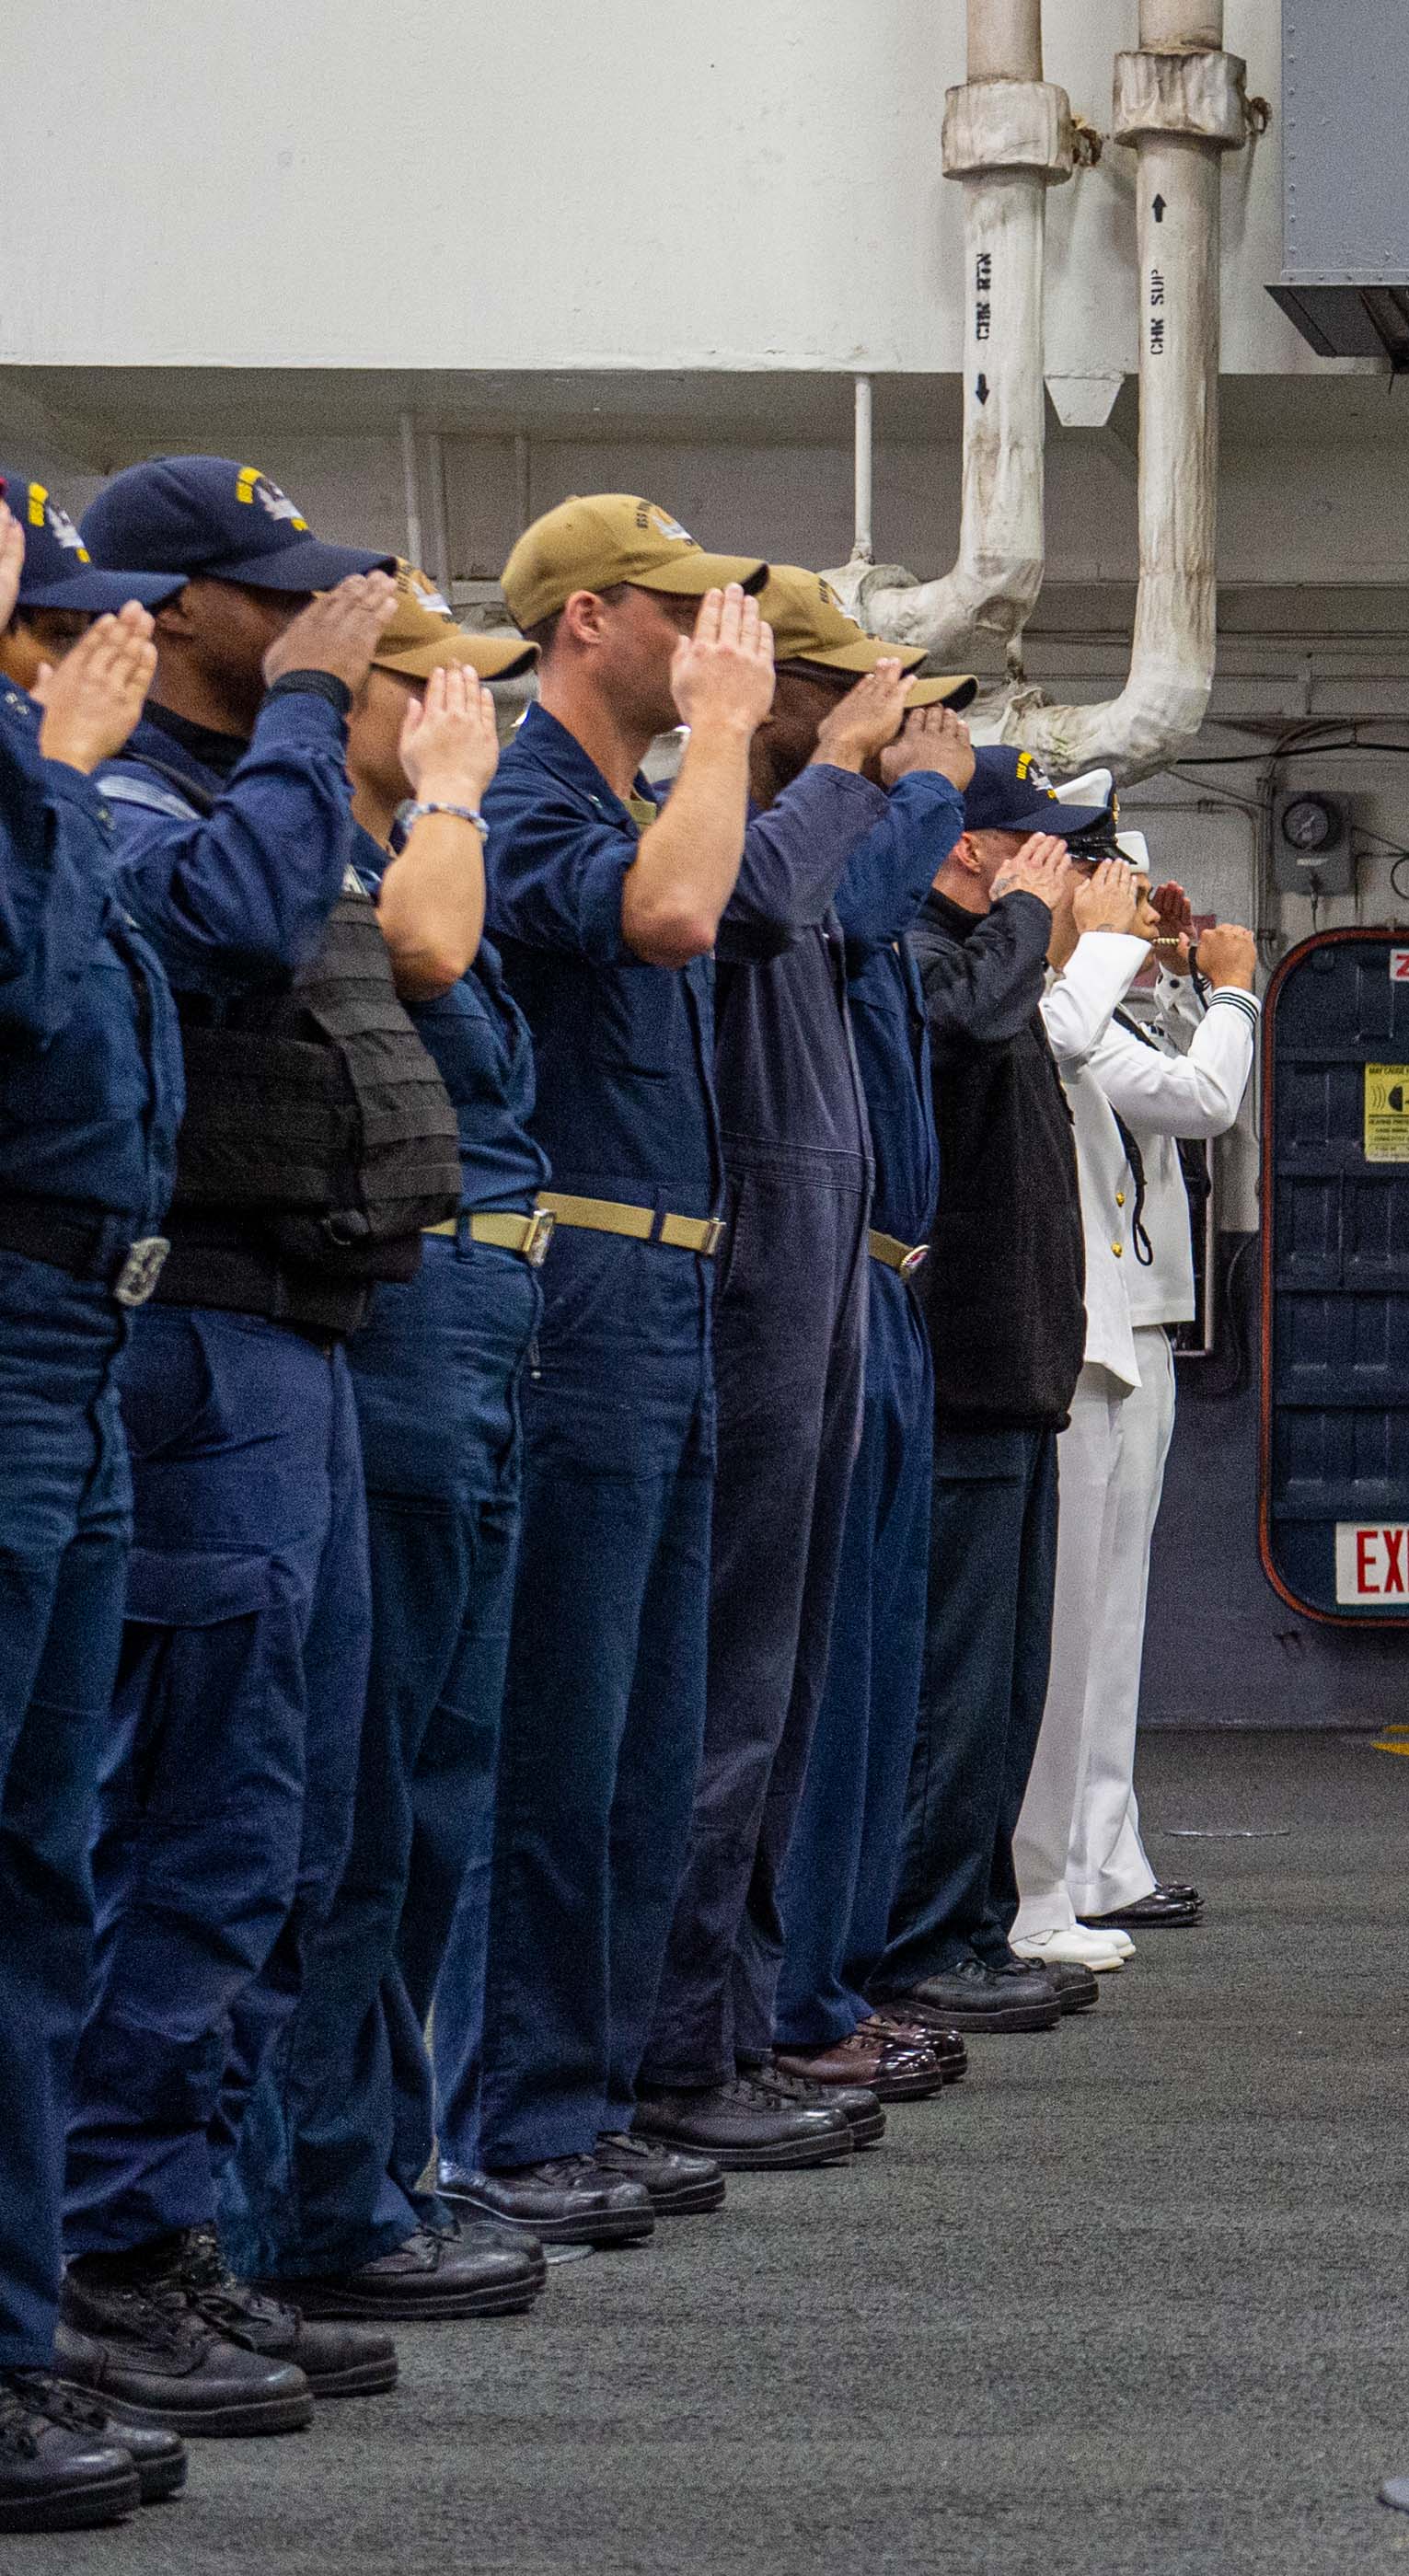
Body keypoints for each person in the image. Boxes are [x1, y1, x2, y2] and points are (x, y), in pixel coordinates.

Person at [64, 457, 422, 2428]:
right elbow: (238, 928)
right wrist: (307, 712)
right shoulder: (127, 793)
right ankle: (111, 2246)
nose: (303, 620)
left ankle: (179, 2224)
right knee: (188, 1825)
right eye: (262, 596)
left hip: (298, 1330)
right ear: (165, 604)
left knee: (281, 1825)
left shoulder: (224, 783)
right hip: (188, 1340)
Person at [445, 495, 791, 2244]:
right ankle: (526, 2105)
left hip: (670, 1291)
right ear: (585, 620)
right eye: (679, 613)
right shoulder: (526, 800)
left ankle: (599, 2078)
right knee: (565, 1730)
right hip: (580, 1286)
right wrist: (728, 732)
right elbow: (667, 920)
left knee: (652, 1723)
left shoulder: (632, 793)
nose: (709, 639)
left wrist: (711, 751)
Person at [222, 583, 554, 2330]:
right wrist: (446, 794)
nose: (463, 714)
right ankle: (318, 2189)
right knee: (358, 1794)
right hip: (404, 1324)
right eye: (428, 687)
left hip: (482, 1316)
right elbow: (419, 959)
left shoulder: (412, 842)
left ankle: (390, 2159)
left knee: (437, 1781)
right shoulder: (372, 855)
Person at [633, 579, 954, 2172]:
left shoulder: (802, 836)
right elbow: (743, 904)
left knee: (790, 1686)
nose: (884, 723)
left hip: (823, 1279)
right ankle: (687, 2034)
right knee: (728, 1694)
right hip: (753, 1278)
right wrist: (831, 761)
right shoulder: (726, 826)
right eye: (849, 695)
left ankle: (742, 2014)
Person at [0, 493, 185, 2528]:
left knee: (45, 1875)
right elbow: (35, 1014)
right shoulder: (59, 794)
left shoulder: (55, 787)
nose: (90, 658)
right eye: (61, 629)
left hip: (87, 1336)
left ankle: (22, 2328)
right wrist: (54, 783)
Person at [756, 571, 979, 2109]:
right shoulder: (789, 846)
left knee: (873, 1672)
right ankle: (787, 1991)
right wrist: (904, 794)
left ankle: (835, 1969)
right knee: (804, 1688)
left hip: (885, 1282)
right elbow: (841, 908)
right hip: (800, 1276)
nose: (891, 717)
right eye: (844, 689)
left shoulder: (843, 841)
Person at [872, 753, 1122, 2039]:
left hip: (1014, 1375)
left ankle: (969, 1924)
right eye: (1048, 848)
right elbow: (955, 1025)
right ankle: (921, 1938)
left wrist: (1027, 926)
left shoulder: (992, 957)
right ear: (977, 849)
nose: (1072, 869)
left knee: (1005, 1682)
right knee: (954, 1683)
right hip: (961, 1373)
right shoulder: (921, 953)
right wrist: (1029, 919)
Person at [1008, 867, 1260, 1963]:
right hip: (1082, 1327)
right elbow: (1200, 1100)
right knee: (1070, 1620)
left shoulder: (1104, 1004)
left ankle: (1100, 1851)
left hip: (1135, 1319)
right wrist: (1240, 996)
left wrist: (1181, 981)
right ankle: (1047, 1870)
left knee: (1111, 1619)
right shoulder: (1053, 1005)